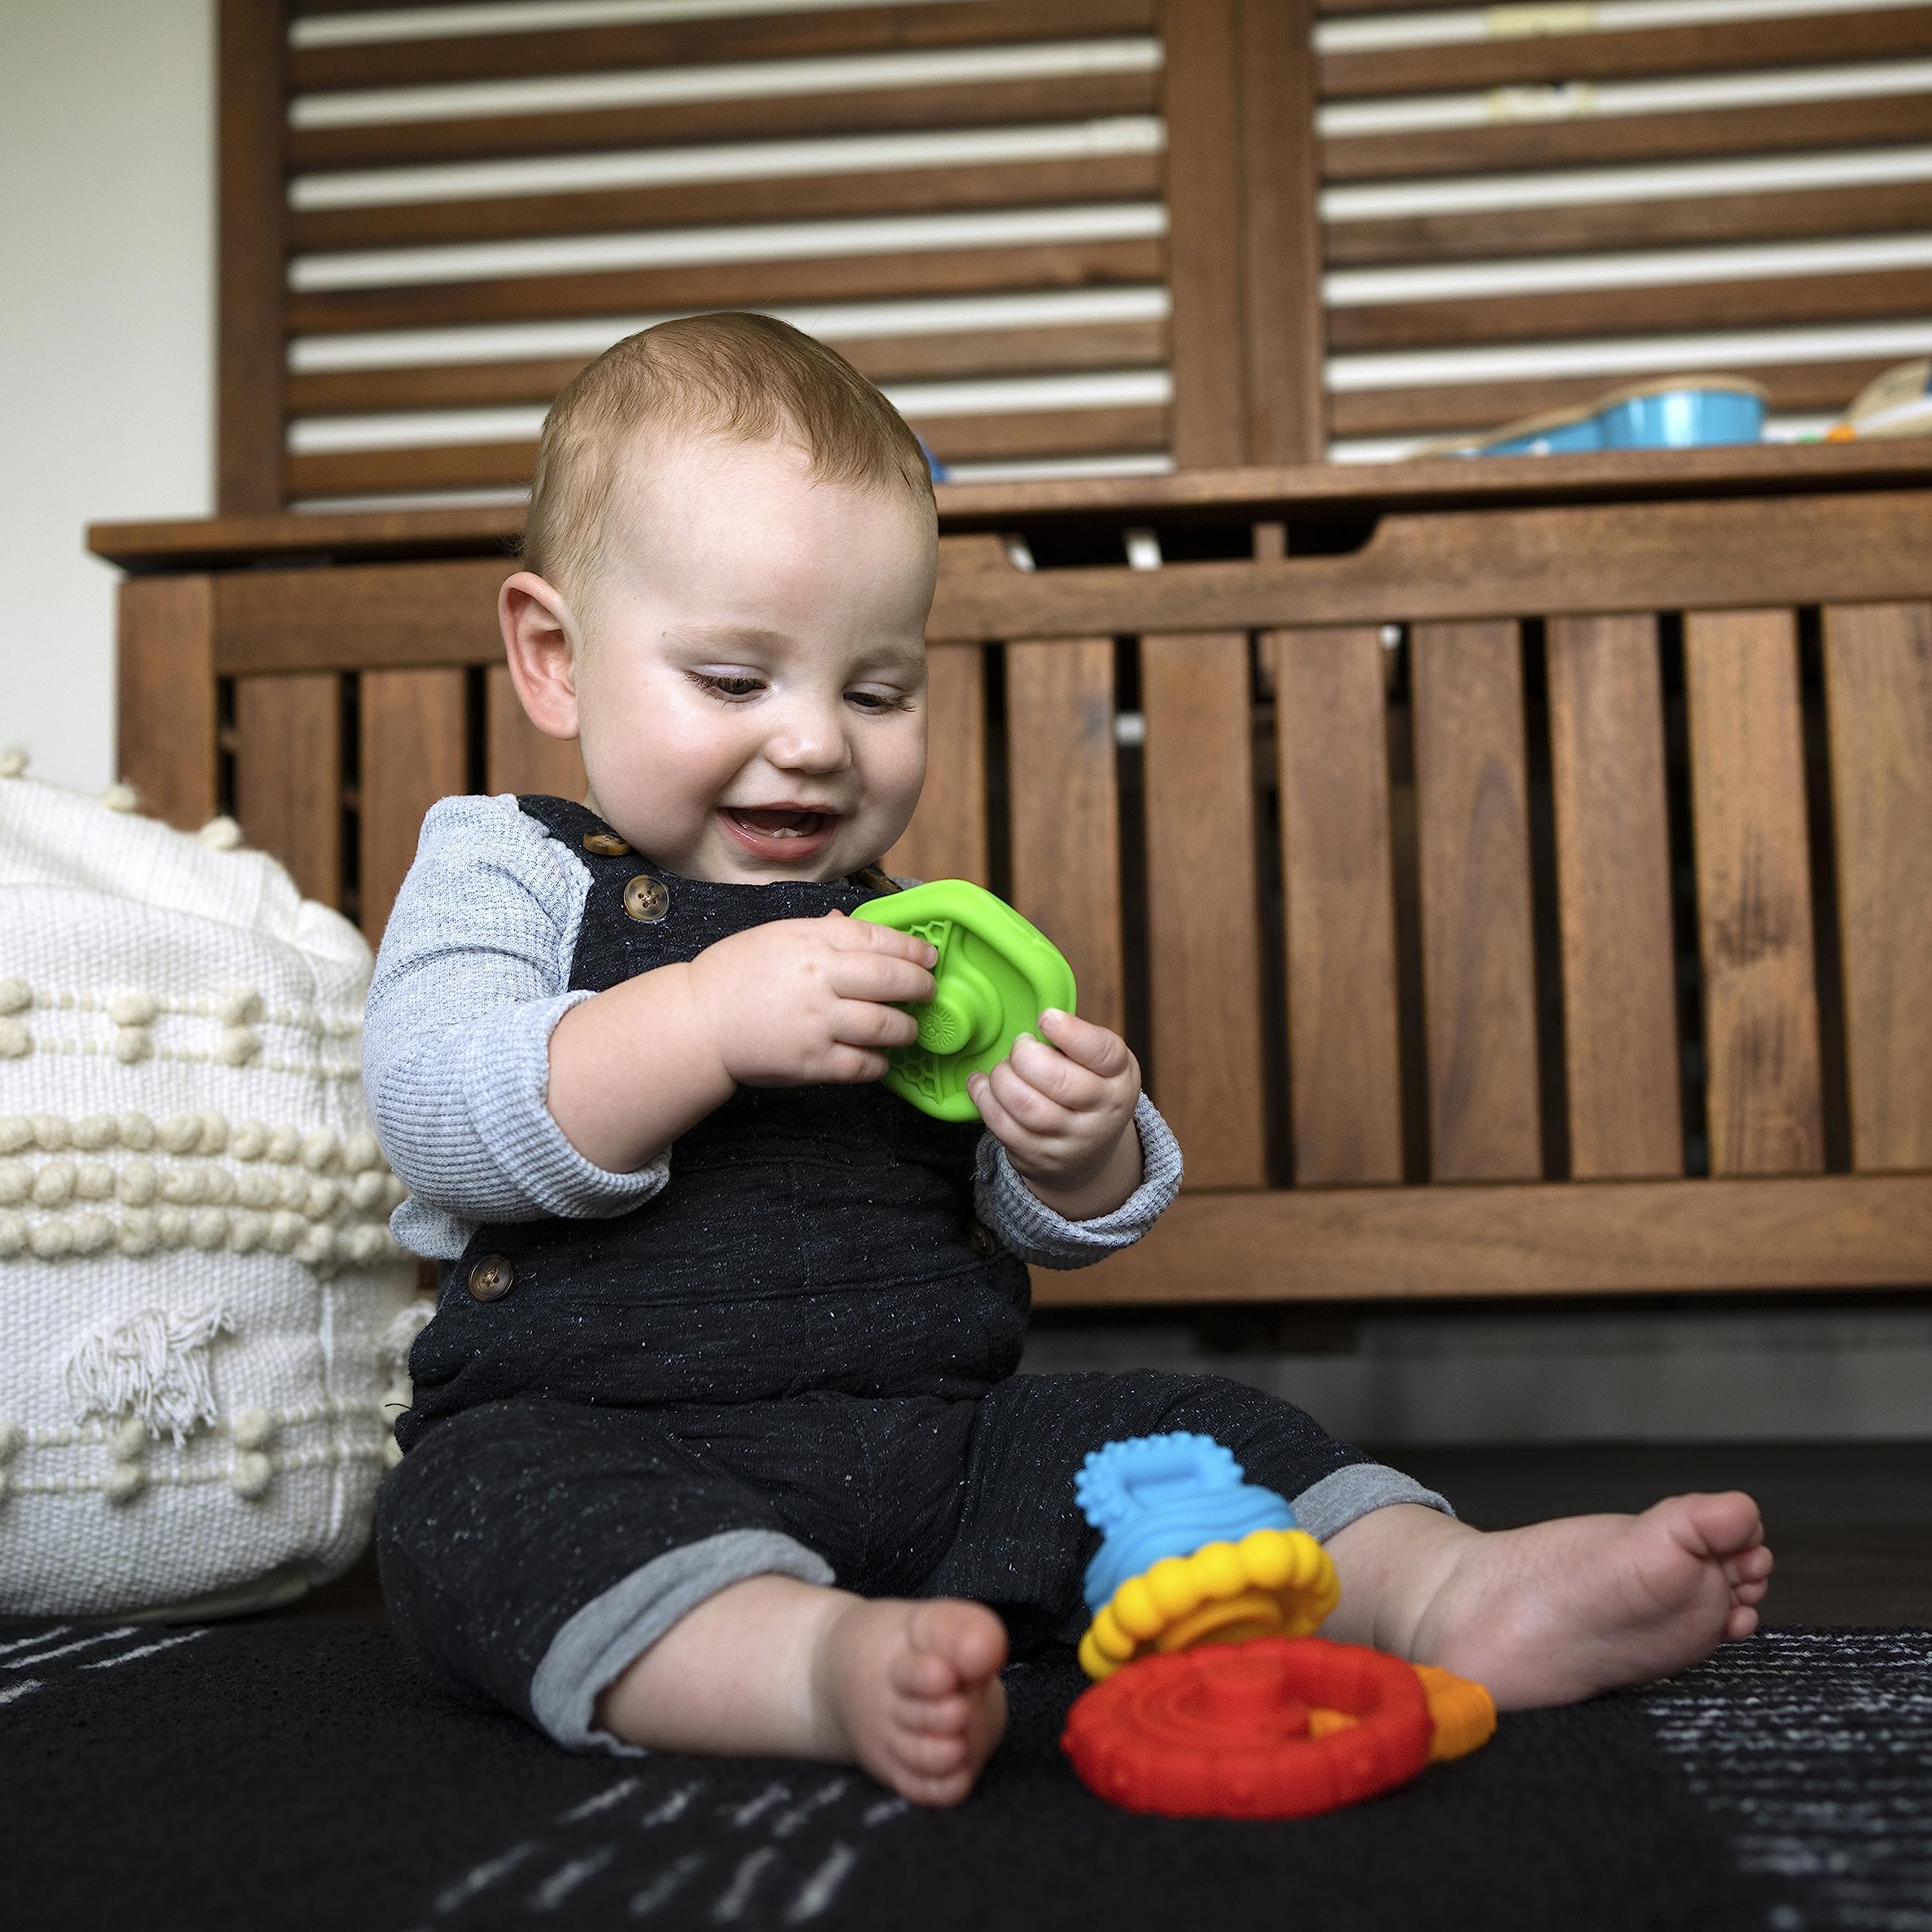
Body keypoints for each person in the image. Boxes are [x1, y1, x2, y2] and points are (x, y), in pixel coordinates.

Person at [365, 313, 1773, 1808]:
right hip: (600, 1438)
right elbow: (441, 1110)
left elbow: (1043, 1224)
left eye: (876, 690)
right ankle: (810, 1663)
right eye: (732, 680)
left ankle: (1441, 1589)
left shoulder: (908, 931)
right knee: (469, 1517)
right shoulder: (504, 866)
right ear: (553, 655)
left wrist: (1073, 1141)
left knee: (1178, 1433)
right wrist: (702, 1021)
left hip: (942, 1448)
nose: (813, 745)